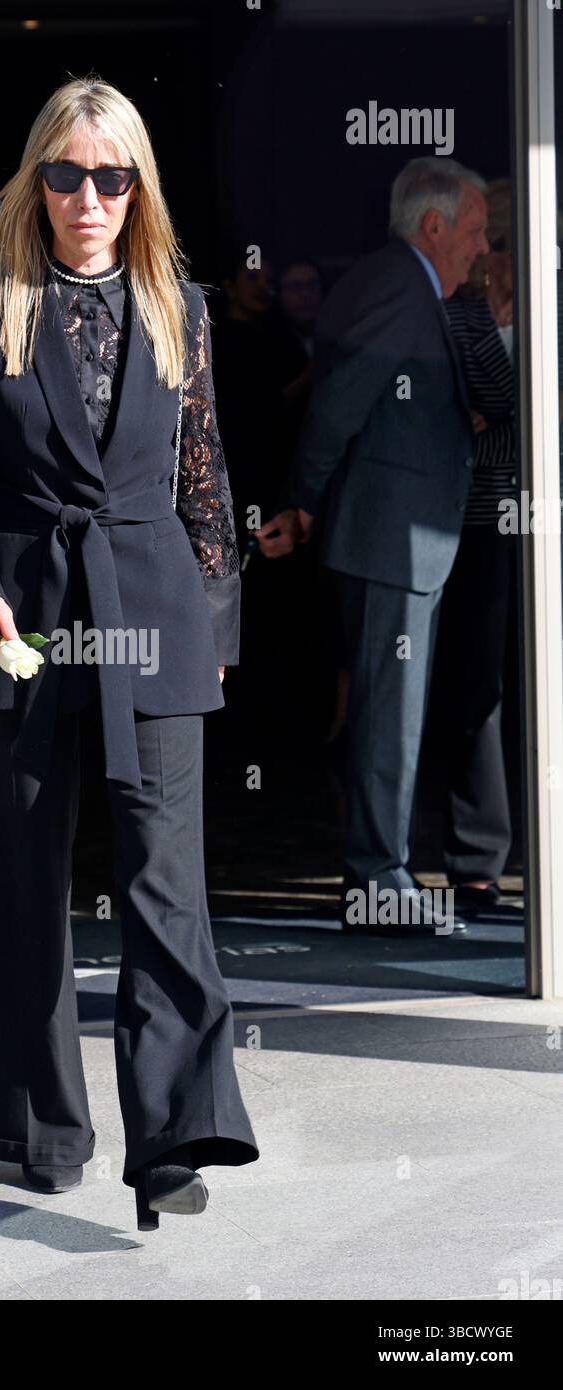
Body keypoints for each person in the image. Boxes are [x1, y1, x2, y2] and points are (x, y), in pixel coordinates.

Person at [0, 76, 259, 1231]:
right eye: (66, 174)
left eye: (112, 176)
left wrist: (213, 628)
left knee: (167, 884)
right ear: (38, 181)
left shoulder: (183, 308)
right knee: (25, 883)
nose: (88, 197)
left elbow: (207, 480)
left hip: (154, 606)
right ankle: (36, 1124)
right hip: (23, 617)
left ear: (137, 188)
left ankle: (173, 1137)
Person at [256, 156, 489, 935]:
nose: (481, 248)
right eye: (475, 230)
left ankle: (380, 870)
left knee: (392, 713)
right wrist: (303, 500)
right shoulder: (398, 284)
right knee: (391, 718)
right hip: (391, 536)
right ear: (434, 224)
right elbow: (343, 403)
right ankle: (378, 879)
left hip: (395, 535)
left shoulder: (401, 283)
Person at [435, 179, 516, 916]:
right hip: (481, 522)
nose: (493, 251)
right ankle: (477, 862)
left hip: (544, 518)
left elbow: (501, 413)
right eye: (486, 237)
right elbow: (455, 413)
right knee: (477, 690)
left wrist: (494, 416)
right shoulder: (453, 313)